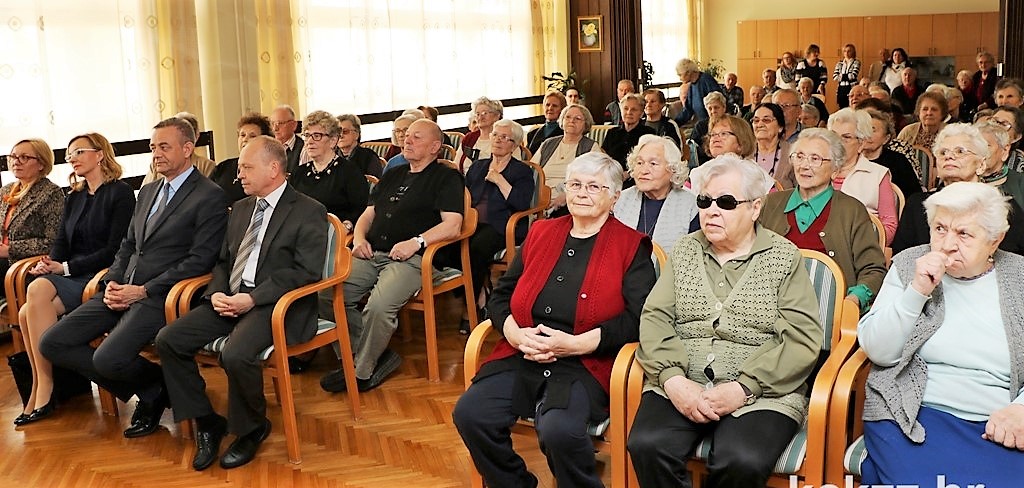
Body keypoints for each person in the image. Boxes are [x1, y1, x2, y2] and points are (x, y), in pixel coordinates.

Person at [454, 152, 656, 488]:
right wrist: (516, 335)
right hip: (522, 352)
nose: (582, 192)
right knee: (471, 414)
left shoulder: (631, 246)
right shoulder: (541, 232)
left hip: (585, 362)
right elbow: (501, 295)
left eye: (594, 186)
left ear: (615, 196)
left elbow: (638, 319)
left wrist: (576, 344)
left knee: (559, 430)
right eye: (575, 184)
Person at [627, 154, 822, 487]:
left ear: (755, 208)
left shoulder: (783, 257)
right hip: (683, 380)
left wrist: (744, 388)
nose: (711, 210)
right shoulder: (686, 249)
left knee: (740, 459)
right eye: (704, 201)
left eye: (727, 202)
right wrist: (673, 380)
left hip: (763, 392)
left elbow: (801, 340)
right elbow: (655, 317)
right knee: (647, 444)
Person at [39, 117, 228, 439]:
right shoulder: (150, 189)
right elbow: (128, 245)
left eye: (164, 147)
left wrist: (143, 290)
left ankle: (155, 391)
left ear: (187, 149)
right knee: (53, 342)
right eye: (153, 147)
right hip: (122, 286)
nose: (156, 154)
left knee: (109, 358)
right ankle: (155, 386)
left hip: (162, 294)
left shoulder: (209, 194)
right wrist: (112, 281)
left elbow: (200, 260)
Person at [155, 136, 327, 471]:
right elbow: (223, 261)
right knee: (169, 339)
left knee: (235, 353)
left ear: (274, 169)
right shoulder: (242, 208)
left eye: (247, 167)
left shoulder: (308, 210)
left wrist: (252, 298)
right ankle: (207, 421)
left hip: (275, 305)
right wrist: (218, 292)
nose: (240, 175)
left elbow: (305, 272)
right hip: (231, 298)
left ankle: (251, 428)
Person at [857, 181, 1024, 486]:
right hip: (913, 414)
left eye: (963, 234)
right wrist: (917, 291)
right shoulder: (909, 265)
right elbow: (878, 351)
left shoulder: (1019, 278)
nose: (947, 244)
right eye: (939, 228)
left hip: (999, 419)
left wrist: (1021, 409)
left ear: (995, 240)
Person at [318, 119, 464, 393]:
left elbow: (453, 225)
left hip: (412, 259)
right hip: (372, 253)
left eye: (416, 137)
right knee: (327, 294)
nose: (407, 140)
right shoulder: (394, 174)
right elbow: (368, 214)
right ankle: (368, 357)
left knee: (378, 306)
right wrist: (359, 239)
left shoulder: (446, 177)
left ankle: (360, 373)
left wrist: (416, 242)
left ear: (435, 147)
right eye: (406, 136)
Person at [13, 133, 135, 427]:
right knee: (28, 305)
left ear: (100, 155)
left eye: (79, 152)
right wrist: (50, 262)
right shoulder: (75, 196)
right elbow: (61, 241)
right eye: (70, 154)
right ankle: (42, 385)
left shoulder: (119, 193)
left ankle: (43, 388)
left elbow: (115, 250)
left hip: (98, 275)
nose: (72, 158)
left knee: (33, 298)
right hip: (70, 273)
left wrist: (64, 267)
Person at [759, 129, 887, 313]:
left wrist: (853, 301)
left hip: (830, 313)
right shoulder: (771, 204)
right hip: (770, 310)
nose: (804, 165)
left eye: (815, 159)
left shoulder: (852, 211)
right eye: (799, 156)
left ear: (835, 170)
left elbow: (873, 269)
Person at [892, 123, 1024, 256]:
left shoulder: (1001, 205)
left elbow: (1012, 260)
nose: (949, 156)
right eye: (943, 152)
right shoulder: (917, 204)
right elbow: (902, 256)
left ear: (981, 164)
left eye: (960, 151)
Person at [462, 119, 536, 333]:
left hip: (503, 226)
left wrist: (499, 180)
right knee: (451, 248)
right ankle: (482, 293)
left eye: (505, 138)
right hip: (473, 223)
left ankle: (471, 308)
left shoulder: (521, 171)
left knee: (473, 249)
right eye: (496, 135)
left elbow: (521, 203)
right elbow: (465, 197)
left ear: (514, 146)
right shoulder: (477, 167)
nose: (498, 140)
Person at [614, 134, 699, 253]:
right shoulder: (620, 200)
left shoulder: (690, 206)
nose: (643, 171)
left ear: (672, 169)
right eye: (639, 163)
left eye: (653, 164)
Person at [828, 108, 899, 245]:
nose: (837, 142)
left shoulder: (877, 175)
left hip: (860, 250)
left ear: (861, 144)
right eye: (833, 135)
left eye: (846, 137)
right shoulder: (816, 171)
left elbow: (889, 225)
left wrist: (864, 247)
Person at [289, 110, 369, 232]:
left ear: (333, 140)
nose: (309, 141)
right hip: (299, 235)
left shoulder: (350, 172)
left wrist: (345, 227)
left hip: (333, 238)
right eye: (306, 135)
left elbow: (360, 210)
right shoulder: (299, 172)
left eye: (317, 136)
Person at [0, 139, 64, 281]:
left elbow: (51, 242)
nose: (16, 162)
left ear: (41, 164)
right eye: (13, 157)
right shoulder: (6, 190)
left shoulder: (51, 193)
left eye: (24, 157)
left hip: (26, 264)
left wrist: (9, 249)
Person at [533, 104, 602, 216]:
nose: (572, 121)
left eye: (577, 118)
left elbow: (595, 179)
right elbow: (532, 170)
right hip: (539, 199)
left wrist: (567, 195)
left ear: (586, 125)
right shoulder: (548, 144)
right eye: (568, 117)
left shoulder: (590, 147)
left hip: (569, 201)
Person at [210, 113, 273, 205]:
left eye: (252, 136)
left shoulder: (267, 169)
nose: (245, 139)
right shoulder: (223, 167)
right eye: (242, 135)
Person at [860, 107, 922, 198]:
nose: (867, 134)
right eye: (864, 130)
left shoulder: (899, 161)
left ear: (886, 138)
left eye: (873, 130)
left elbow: (914, 195)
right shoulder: (851, 159)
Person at [142, 112, 216, 184]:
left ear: (196, 136)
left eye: (164, 147)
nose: (156, 155)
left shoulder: (206, 166)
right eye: (153, 149)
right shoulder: (156, 166)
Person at [454, 97, 523, 174]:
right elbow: (456, 165)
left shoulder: (507, 140)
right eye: (477, 114)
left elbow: (514, 171)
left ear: (497, 115)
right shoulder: (469, 138)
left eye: (484, 113)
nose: (480, 117)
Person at [602, 93, 657, 176]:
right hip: (612, 176)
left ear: (641, 113)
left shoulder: (648, 133)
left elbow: (650, 161)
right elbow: (604, 156)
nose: (629, 112)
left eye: (634, 109)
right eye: (626, 108)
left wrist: (628, 174)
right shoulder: (612, 132)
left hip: (637, 177)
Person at [751, 103, 794, 186]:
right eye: (756, 120)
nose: (759, 125)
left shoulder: (792, 153)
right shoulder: (745, 152)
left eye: (766, 120)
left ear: (780, 127)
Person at [897, 91, 949, 157]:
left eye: (934, 109)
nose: (929, 113)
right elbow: (896, 156)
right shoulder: (908, 131)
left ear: (942, 113)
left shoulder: (950, 133)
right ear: (919, 112)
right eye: (925, 109)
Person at [673, 58, 722, 126]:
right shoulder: (691, 87)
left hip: (715, 124)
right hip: (704, 124)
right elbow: (687, 111)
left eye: (680, 75)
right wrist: (673, 124)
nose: (680, 78)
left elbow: (719, 103)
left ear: (688, 72)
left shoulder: (707, 80)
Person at [335, 113, 383, 178]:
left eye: (345, 131)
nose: (341, 136)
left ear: (357, 134)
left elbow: (375, 184)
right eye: (337, 132)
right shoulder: (330, 156)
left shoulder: (368, 157)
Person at [689, 91, 728, 164]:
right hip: (706, 162)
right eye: (710, 108)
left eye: (716, 107)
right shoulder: (700, 126)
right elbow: (693, 148)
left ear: (724, 108)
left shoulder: (731, 124)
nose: (713, 111)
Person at [526, 91, 567, 155]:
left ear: (562, 109)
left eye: (555, 106)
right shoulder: (532, 134)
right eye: (547, 105)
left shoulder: (565, 134)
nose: (550, 108)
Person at [270, 105, 304, 174]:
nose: (275, 129)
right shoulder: (267, 147)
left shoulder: (303, 148)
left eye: (280, 123)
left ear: (293, 125)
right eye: (273, 123)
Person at [833, 44, 861, 108]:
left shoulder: (856, 62)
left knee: (852, 106)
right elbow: (835, 77)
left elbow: (854, 75)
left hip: (851, 87)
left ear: (853, 52)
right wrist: (847, 76)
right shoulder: (839, 64)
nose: (847, 53)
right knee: (841, 107)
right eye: (845, 51)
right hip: (841, 89)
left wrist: (841, 76)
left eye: (849, 51)